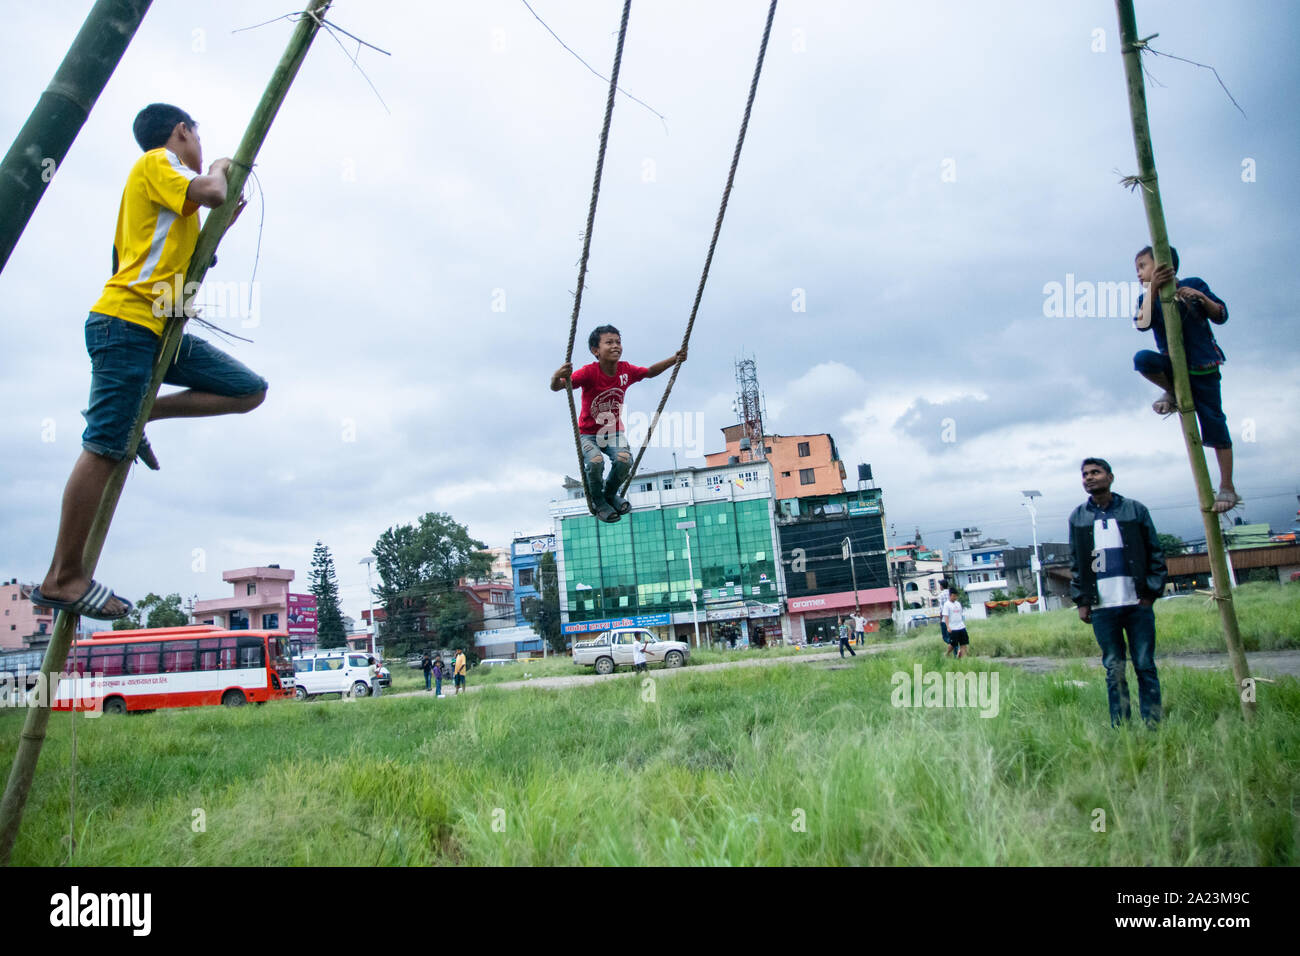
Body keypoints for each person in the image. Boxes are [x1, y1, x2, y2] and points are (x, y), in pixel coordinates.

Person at [32, 104, 266, 620]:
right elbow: (212, 190)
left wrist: (221, 226)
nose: (201, 151)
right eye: (198, 139)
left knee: (248, 389)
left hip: (159, 329)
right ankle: (62, 577)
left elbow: (193, 244)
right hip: (127, 323)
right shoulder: (158, 163)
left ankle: (149, 412)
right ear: (182, 132)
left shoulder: (168, 199)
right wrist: (221, 168)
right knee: (105, 448)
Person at [1132, 245, 1239, 513]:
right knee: (1142, 359)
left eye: (1143, 266)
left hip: (1203, 366)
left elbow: (1221, 315)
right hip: (1172, 366)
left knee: (1214, 421)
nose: (1138, 274)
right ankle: (1172, 391)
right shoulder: (1146, 298)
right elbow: (1141, 324)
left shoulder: (1193, 285)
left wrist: (1201, 298)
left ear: (1164, 265)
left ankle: (1227, 485)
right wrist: (1152, 289)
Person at [550, 326, 686, 523]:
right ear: (595, 350)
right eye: (609, 342)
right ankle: (598, 500)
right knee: (595, 462)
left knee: (624, 460)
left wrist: (674, 359)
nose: (615, 346)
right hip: (588, 434)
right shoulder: (588, 372)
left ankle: (610, 494)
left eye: (618, 342)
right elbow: (557, 387)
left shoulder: (625, 370)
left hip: (612, 431)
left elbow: (649, 372)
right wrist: (557, 375)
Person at [1068, 458, 1166, 727]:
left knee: (1145, 665)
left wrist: (1150, 593)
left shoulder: (1134, 510)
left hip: (1137, 604)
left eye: (1095, 472)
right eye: (1085, 474)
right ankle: (1121, 728)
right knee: (1114, 669)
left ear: (1110, 477)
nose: (1089, 477)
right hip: (1102, 608)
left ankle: (1154, 725)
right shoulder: (1078, 517)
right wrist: (1082, 600)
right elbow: (1077, 562)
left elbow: (1155, 552)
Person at [941, 592, 969, 659]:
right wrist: (948, 627)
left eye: (956, 596)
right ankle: (946, 654)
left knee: (963, 643)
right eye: (954, 596)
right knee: (953, 644)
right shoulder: (947, 605)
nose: (955, 598)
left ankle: (962, 659)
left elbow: (960, 614)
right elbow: (946, 616)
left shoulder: (958, 604)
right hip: (953, 627)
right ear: (950, 596)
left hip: (961, 626)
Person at [937, 580, 956, 656]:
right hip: (954, 618)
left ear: (941, 586)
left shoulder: (940, 595)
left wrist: (940, 620)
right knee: (953, 636)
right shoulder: (951, 594)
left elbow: (941, 609)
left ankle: (953, 646)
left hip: (945, 619)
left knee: (946, 637)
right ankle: (955, 652)